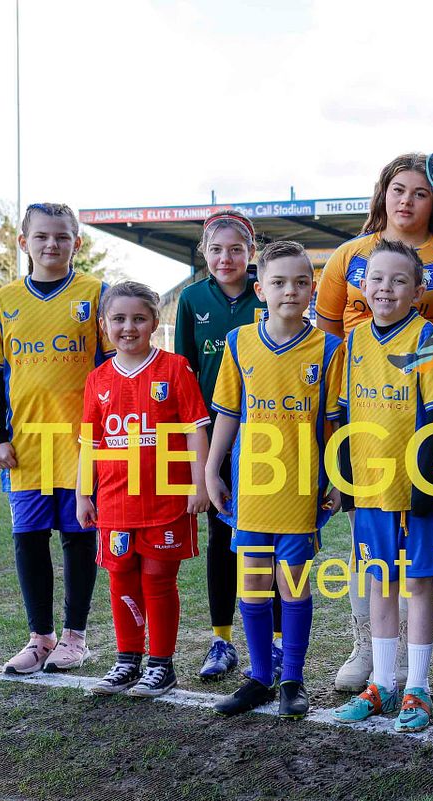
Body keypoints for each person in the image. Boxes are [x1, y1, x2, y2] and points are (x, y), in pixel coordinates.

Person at [315, 153, 433, 694]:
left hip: (416, 447)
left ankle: (417, 683)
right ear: (382, 194)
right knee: (373, 572)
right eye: (397, 189)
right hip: (367, 446)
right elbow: (330, 332)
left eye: (420, 192)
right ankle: (372, 659)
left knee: (419, 578)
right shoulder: (347, 258)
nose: (406, 200)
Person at [0, 202, 112, 674]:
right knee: (28, 537)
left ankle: (75, 637)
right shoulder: (4, 301)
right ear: (23, 242)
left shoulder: (96, 294)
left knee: (78, 536)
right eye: (42, 237)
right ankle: (40, 638)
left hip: (82, 444)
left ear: (78, 242)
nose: (51, 245)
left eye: (62, 236)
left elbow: (116, 369)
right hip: (27, 446)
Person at [206, 240, 344, 720]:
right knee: (254, 585)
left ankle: (292, 680)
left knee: (294, 586)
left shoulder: (329, 349)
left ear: (313, 287)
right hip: (251, 486)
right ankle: (260, 677)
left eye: (302, 281)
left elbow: (331, 425)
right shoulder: (239, 342)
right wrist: (210, 468)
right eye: (279, 282)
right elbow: (228, 414)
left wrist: (334, 477)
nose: (291, 290)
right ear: (259, 288)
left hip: (301, 488)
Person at [331, 238, 433, 733]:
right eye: (377, 278)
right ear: (362, 284)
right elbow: (342, 412)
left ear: (417, 289)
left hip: (413, 490)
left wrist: (427, 484)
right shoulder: (354, 342)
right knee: (379, 582)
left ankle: (417, 688)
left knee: (418, 585)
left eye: (399, 280)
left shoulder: (428, 338)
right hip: (370, 489)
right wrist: (345, 480)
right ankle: (382, 682)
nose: (386, 288)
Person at [77, 281, 210, 696]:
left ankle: (161, 664)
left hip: (166, 499)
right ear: (103, 325)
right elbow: (90, 442)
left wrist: (200, 482)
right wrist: (84, 493)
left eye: (138, 318)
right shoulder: (97, 378)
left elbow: (195, 429)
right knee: (121, 579)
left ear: (155, 321)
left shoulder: (174, 368)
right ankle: (127, 660)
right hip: (115, 501)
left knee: (157, 578)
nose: (128, 327)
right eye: (118, 319)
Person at [174, 210, 280, 683]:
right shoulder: (192, 298)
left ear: (251, 253)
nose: (226, 258)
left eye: (236, 249)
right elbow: (182, 376)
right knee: (223, 538)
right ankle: (222, 640)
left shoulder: (267, 293)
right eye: (216, 249)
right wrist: (198, 456)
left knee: (273, 537)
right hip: (216, 433)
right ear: (203, 252)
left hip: (269, 432)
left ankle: (276, 643)